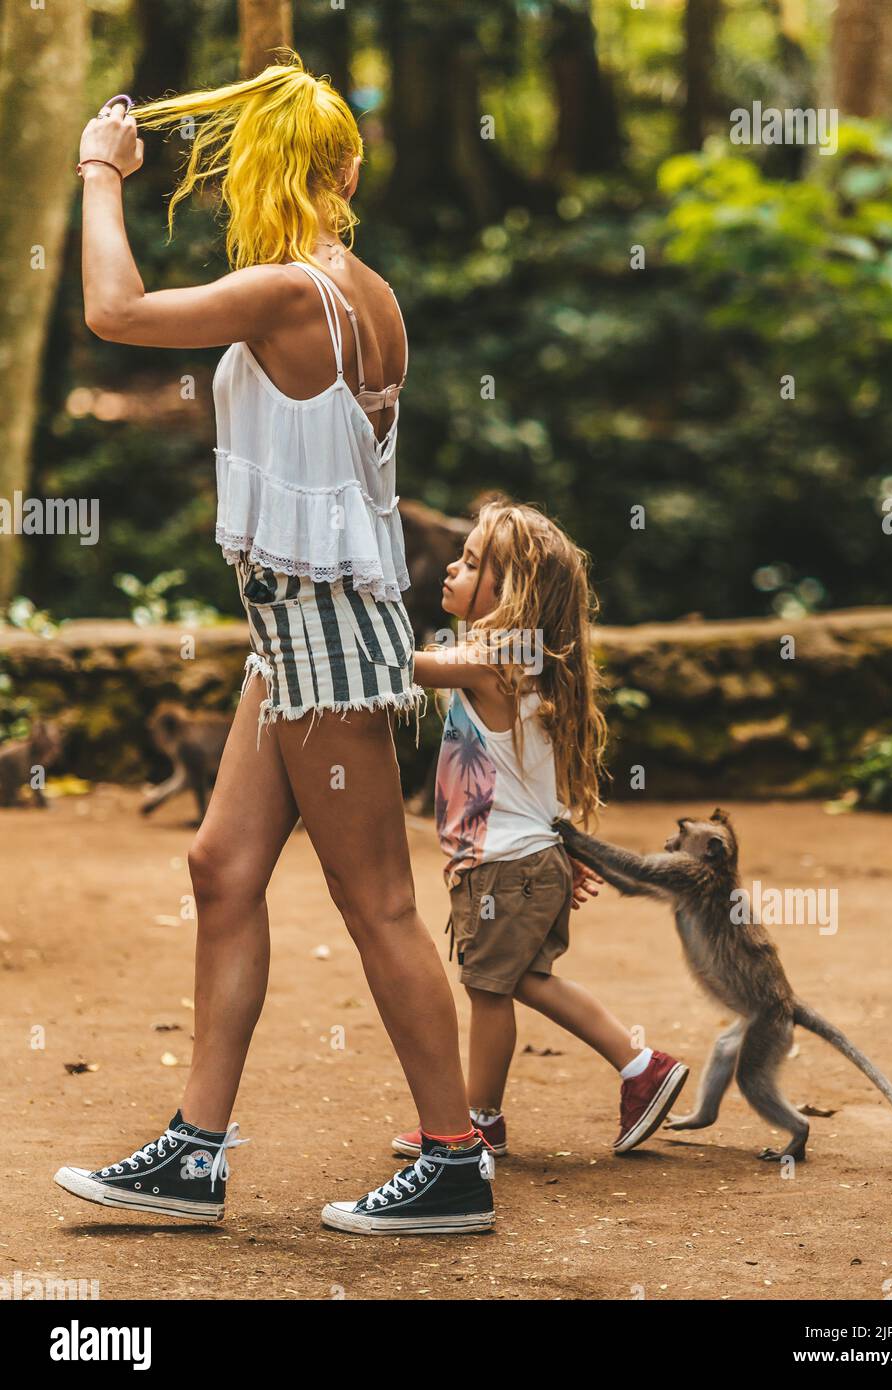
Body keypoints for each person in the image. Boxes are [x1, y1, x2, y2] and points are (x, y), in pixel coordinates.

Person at [53, 57, 494, 1237]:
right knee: (222, 867)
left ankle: (455, 1159)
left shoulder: (292, 294)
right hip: (295, 627)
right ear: (346, 172)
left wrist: (100, 172)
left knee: (376, 900)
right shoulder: (364, 290)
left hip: (324, 632)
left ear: (261, 175)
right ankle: (194, 1155)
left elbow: (114, 312)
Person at [390, 499, 689, 1159]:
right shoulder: (524, 663)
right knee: (520, 980)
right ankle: (640, 1067)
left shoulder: (493, 661)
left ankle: (482, 1122)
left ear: (513, 593)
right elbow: (533, 778)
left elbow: (399, 665)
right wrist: (562, 851)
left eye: (472, 563)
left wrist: (349, 619)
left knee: (490, 989)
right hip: (527, 858)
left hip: (504, 865)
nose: (451, 568)